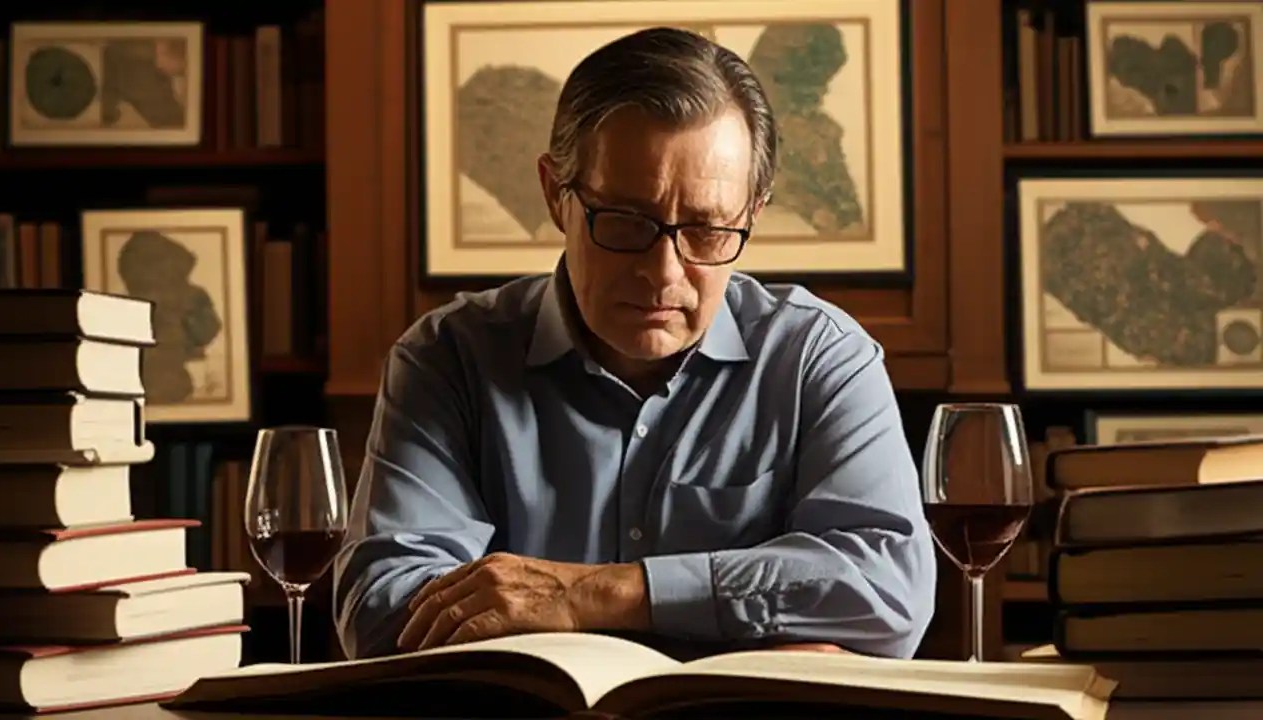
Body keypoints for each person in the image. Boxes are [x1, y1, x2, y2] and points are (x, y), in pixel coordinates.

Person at [332, 26, 936, 661]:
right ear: (554, 194)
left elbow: (890, 587)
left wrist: (595, 594)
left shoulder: (820, 356)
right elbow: (383, 612)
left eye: (706, 230)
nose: (664, 273)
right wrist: (761, 616)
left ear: (752, 213)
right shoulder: (446, 357)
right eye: (624, 222)